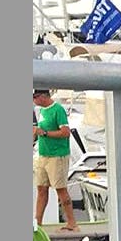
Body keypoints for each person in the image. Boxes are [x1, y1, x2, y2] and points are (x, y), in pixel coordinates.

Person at [32, 88, 78, 230]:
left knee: (60, 189)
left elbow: (65, 132)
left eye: (35, 97)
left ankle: (72, 223)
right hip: (43, 154)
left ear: (43, 96)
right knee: (41, 188)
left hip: (57, 155)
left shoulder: (58, 110)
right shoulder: (42, 111)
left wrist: (45, 133)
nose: (33, 100)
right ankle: (37, 223)